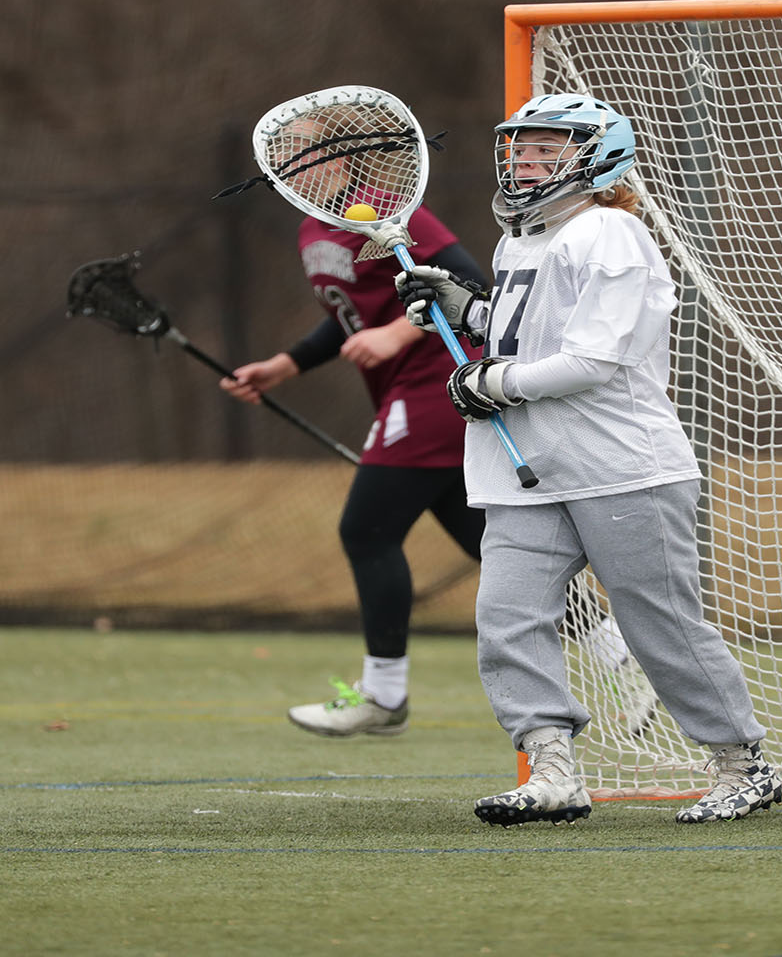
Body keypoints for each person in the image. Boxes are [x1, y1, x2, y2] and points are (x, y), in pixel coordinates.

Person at [396, 93, 782, 826]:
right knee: (507, 617)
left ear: (597, 156)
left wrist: (494, 381)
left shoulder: (608, 231)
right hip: (526, 466)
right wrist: (463, 308)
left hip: (620, 464)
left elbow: (594, 357)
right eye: (521, 147)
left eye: (549, 148)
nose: (527, 160)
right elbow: (526, 339)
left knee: (657, 622)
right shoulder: (521, 239)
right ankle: (552, 770)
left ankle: (741, 764)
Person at [223, 111, 656, 741]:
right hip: (410, 396)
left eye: (309, 153)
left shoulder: (389, 214)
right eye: (286, 156)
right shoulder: (315, 231)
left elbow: (467, 286)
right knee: (484, 540)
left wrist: (399, 331)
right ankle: (627, 660)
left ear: (346, 159)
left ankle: (384, 694)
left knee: (366, 529)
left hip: (437, 387)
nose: (297, 166)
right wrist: (283, 366)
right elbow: (349, 315)